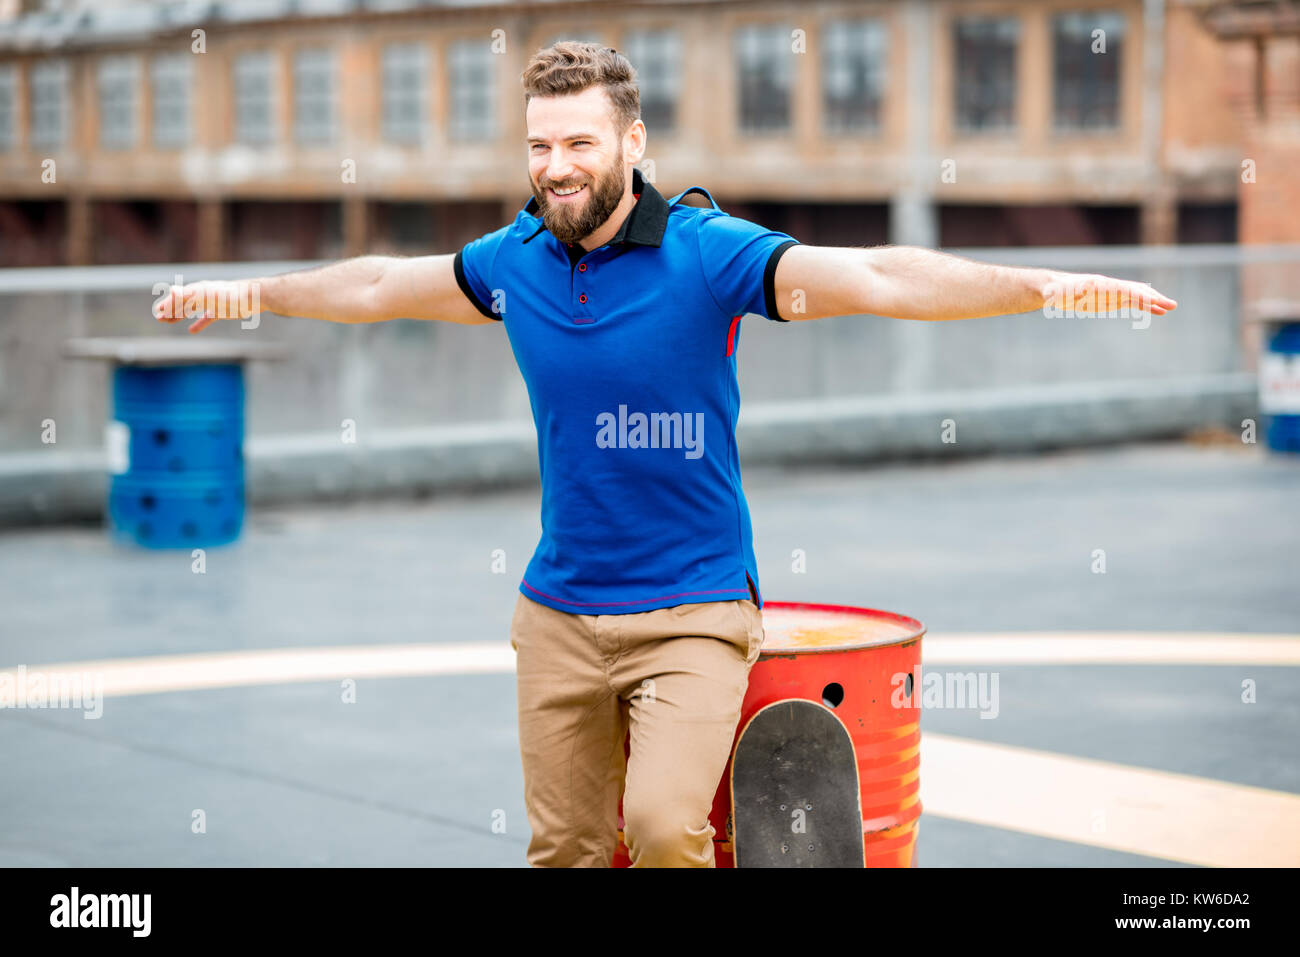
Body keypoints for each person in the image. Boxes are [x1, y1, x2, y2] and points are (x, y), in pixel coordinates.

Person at [155, 41, 1177, 868]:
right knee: (561, 850)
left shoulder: (706, 251)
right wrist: (248, 293)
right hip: (556, 612)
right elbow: (376, 289)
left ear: (631, 142)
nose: (556, 166)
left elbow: (878, 274)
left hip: (693, 608)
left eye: (581, 143)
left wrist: (1058, 285)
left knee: (661, 834)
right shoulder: (512, 263)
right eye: (539, 145)